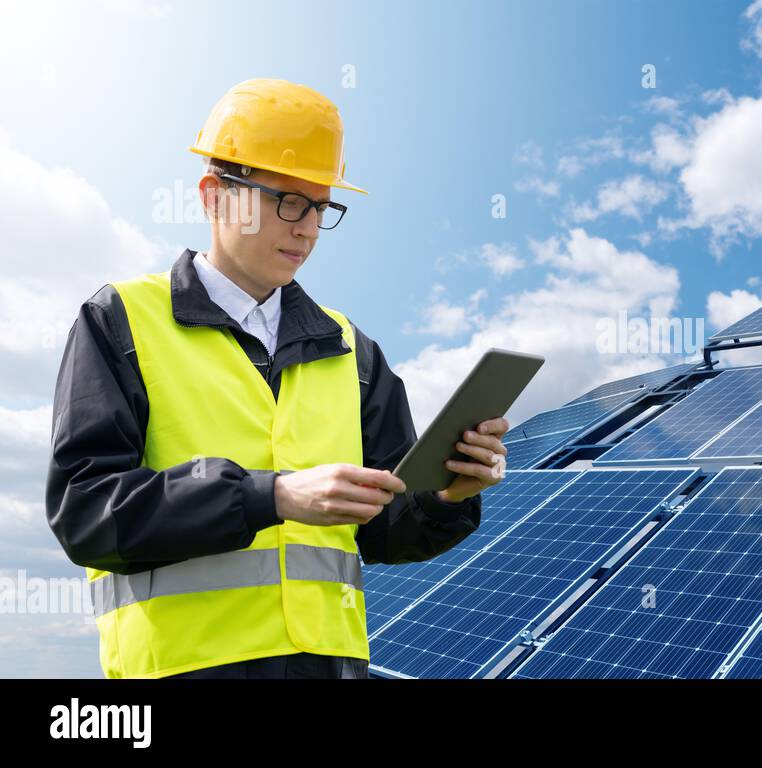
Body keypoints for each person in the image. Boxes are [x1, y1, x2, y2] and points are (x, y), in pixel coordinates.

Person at [44, 78, 509, 679]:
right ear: (215, 196)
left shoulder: (353, 351)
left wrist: (449, 497)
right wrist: (271, 496)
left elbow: (390, 530)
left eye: (321, 207)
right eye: (288, 201)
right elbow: (87, 512)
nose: (308, 228)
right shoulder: (121, 320)